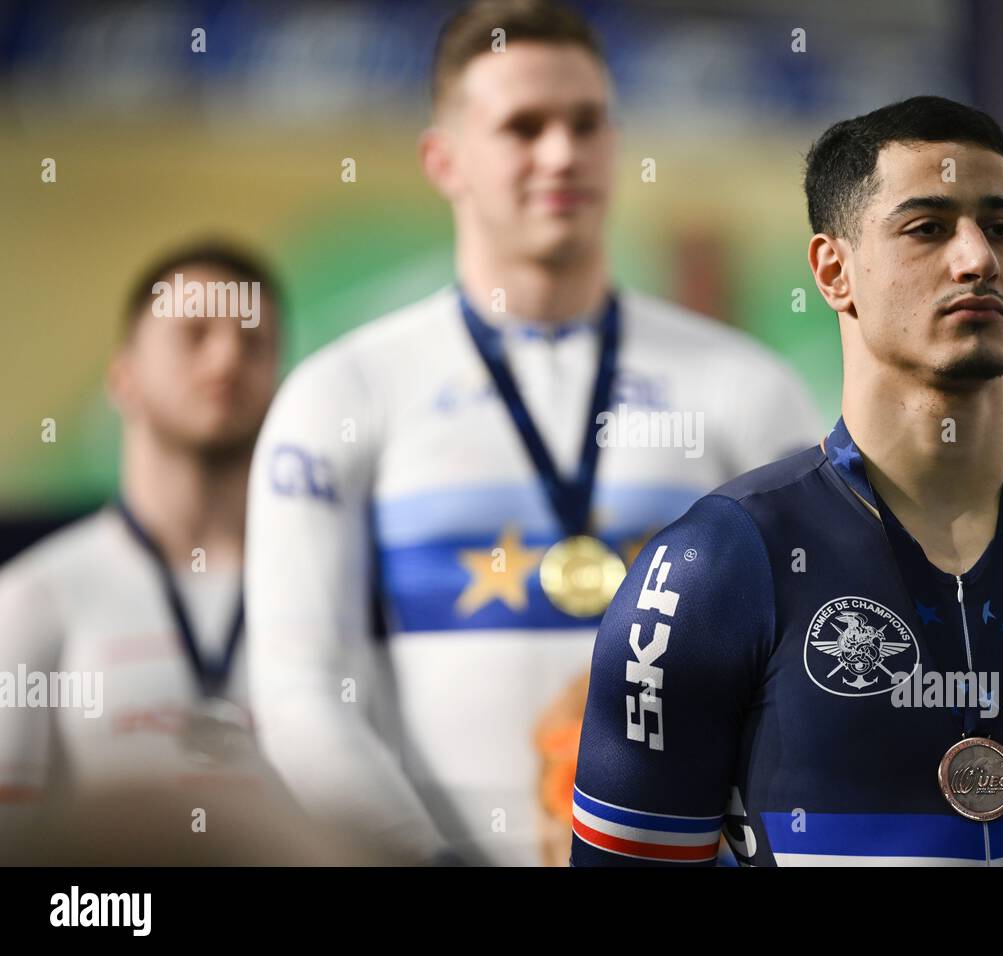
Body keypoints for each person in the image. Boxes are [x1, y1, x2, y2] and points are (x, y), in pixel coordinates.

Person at [571, 95, 1003, 867]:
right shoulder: (710, 570)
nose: (977, 259)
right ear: (835, 272)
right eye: (927, 228)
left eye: (1002, 228)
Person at [244, 0, 821, 867]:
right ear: (444, 159)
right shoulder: (341, 393)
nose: (562, 154)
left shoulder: (746, 390)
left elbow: (809, 682)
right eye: (523, 126)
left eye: (586, 123)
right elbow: (298, 695)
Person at [0, 242, 283, 839]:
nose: (227, 358)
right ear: (123, 377)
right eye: (195, 334)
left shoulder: (330, 588)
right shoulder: (34, 595)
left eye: (253, 341)